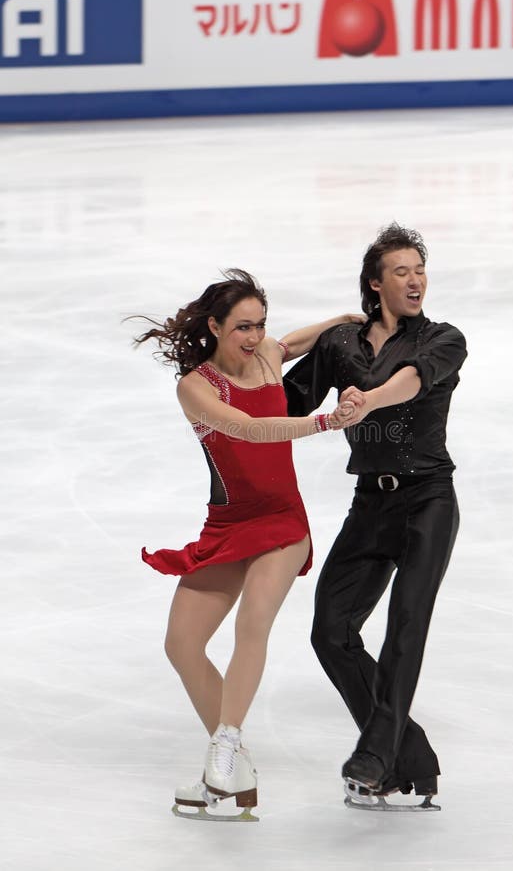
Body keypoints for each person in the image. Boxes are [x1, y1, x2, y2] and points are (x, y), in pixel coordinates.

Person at [132, 269, 360, 820]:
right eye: (241, 328)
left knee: (251, 624)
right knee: (181, 643)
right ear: (214, 326)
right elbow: (253, 429)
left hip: (283, 522)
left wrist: (342, 321)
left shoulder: (266, 357)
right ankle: (235, 765)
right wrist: (325, 421)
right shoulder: (197, 386)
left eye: (259, 326)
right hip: (230, 523)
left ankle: (226, 748)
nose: (254, 338)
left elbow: (295, 342)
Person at [283, 223, 467, 809]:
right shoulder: (341, 345)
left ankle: (374, 755)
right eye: (401, 271)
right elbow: (285, 402)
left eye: (420, 269)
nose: (415, 280)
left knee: (405, 624)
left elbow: (412, 384)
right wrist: (241, 367)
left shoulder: (443, 339)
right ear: (375, 283)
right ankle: (407, 753)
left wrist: (364, 399)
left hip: (428, 500)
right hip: (370, 502)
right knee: (331, 629)